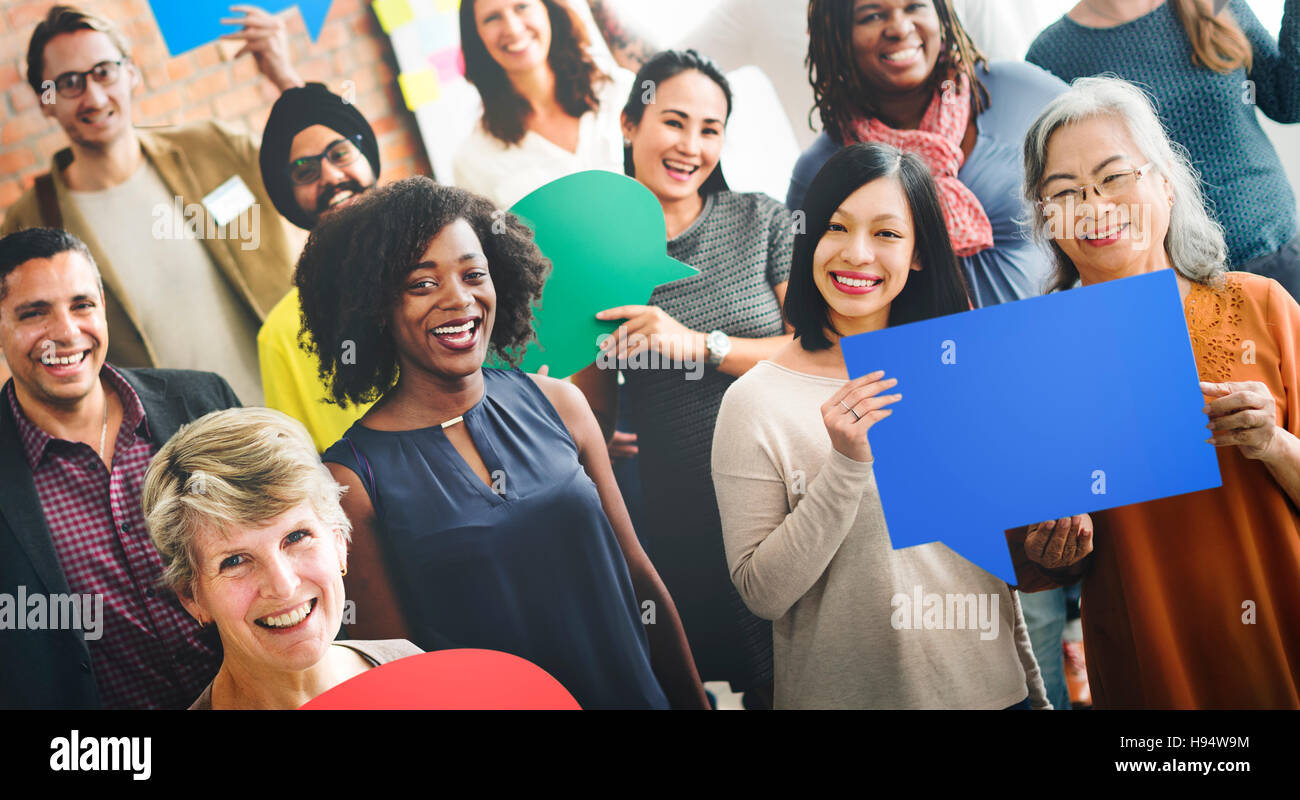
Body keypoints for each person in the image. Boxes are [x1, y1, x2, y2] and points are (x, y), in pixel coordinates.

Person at [295, 177, 710, 709]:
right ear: (376, 306)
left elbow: (640, 578)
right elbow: (401, 678)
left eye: (474, 275)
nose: (458, 299)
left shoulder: (561, 403)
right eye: (422, 284)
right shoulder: (353, 482)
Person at [712, 142, 1047, 709]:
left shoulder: (963, 370)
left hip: (992, 694)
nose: (857, 253)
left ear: (918, 253)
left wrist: (1054, 540)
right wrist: (844, 467)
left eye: (888, 234)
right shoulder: (756, 399)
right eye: (836, 227)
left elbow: (1006, 560)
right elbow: (762, 593)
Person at [1010, 76, 1300, 708]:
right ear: (1045, 220)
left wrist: (1275, 444)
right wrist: (1052, 546)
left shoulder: (1263, 305)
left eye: (1115, 177)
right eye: (1064, 192)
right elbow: (1035, 563)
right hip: (1149, 665)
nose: (1093, 205)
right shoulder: (1035, 356)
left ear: (1165, 183)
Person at [571, 49, 794, 706]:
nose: (691, 145)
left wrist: (697, 344)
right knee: (765, 689)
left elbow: (815, 350)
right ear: (628, 124)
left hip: (793, 487)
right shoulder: (598, 260)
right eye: (674, 122)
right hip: (691, 512)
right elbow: (594, 416)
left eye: (710, 128)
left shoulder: (761, 219)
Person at [0, 5, 303, 404]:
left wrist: (288, 81)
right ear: (45, 100)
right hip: (182, 451)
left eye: (104, 71)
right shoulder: (30, 222)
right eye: (69, 82)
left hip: (300, 401)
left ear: (131, 74)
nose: (93, 96)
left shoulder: (214, 147)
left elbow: (342, 179)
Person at [0, 227, 242, 709]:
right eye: (34, 312)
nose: (66, 332)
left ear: (103, 307)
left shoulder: (203, 402)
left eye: (82, 304)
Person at [788, 0, 1068, 308]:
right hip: (918, 353)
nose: (899, 28)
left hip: (1058, 336)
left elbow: (1117, 187)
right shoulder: (818, 170)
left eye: (915, 7)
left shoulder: (1019, 92)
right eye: (872, 16)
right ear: (838, 36)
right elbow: (810, 307)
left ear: (941, 14)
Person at [140, 407, 422, 710]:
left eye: (296, 537)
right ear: (192, 597)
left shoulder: (417, 671)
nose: (284, 586)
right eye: (235, 561)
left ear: (339, 540)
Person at [1026, 0, 1300, 298]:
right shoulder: (1052, 53)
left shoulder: (1215, 3)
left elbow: (1287, 99)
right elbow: (1058, 180)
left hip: (1274, 251)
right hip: (1167, 286)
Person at [584, 0, 1060, 150]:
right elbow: (654, 63)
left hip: (987, 207)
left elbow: (1006, 91)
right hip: (856, 222)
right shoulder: (758, 7)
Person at [256, 84, 382, 451]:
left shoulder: (448, 260)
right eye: (305, 171)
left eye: (340, 153)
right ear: (290, 196)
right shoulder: (281, 335)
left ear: (366, 154)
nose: (329, 176)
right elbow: (305, 474)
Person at [452, 0, 634, 208]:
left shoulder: (621, 91)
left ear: (548, 10)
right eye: (492, 18)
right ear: (476, 37)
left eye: (522, 7)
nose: (513, 28)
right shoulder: (472, 161)